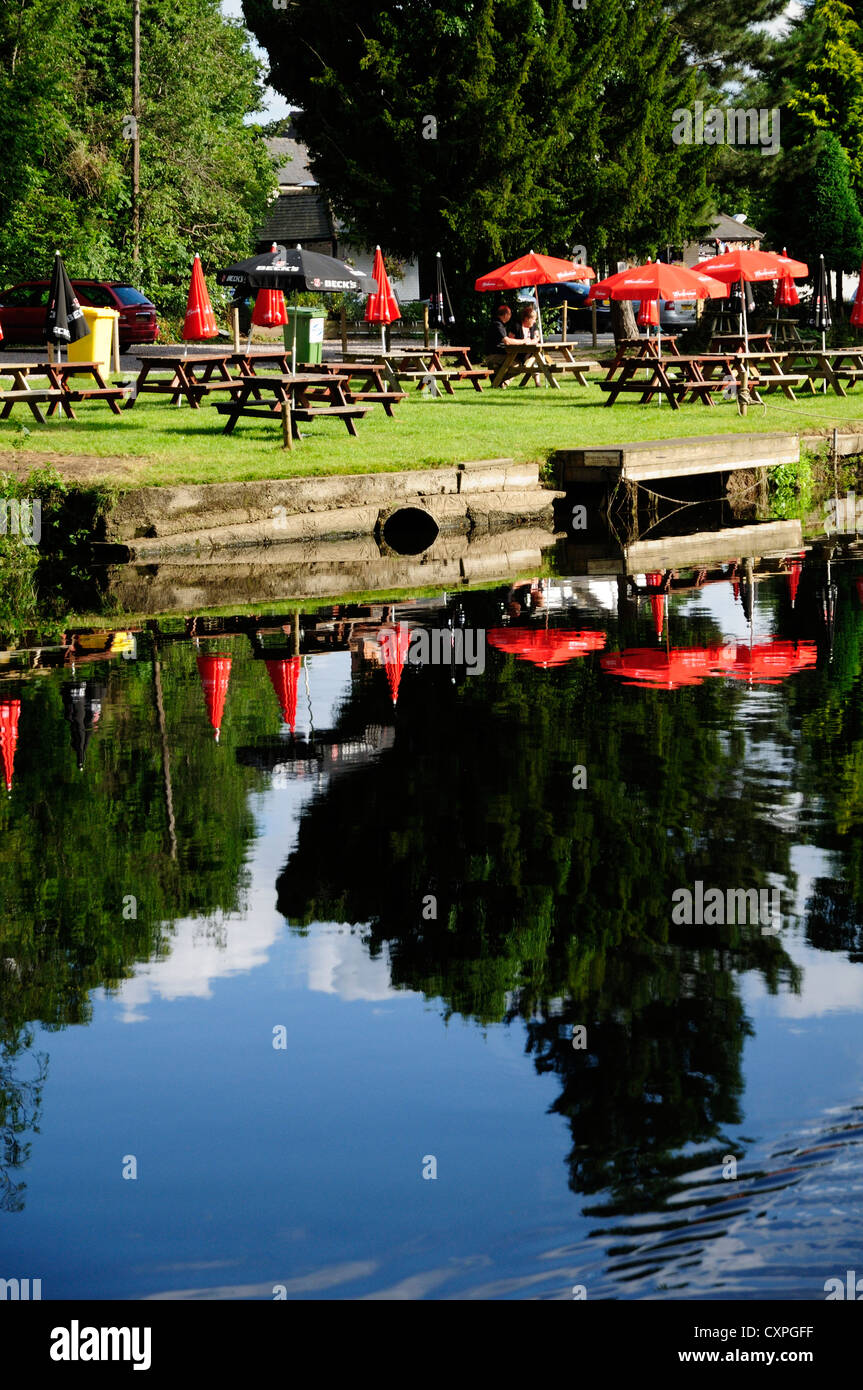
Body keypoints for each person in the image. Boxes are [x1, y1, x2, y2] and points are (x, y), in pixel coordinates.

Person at [483, 304, 521, 383]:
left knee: (517, 364)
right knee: (518, 365)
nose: (510, 316)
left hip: (498, 354)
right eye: (510, 314)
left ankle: (500, 382)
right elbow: (507, 341)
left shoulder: (500, 324)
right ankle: (500, 382)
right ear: (506, 315)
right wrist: (523, 341)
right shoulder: (497, 325)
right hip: (493, 356)